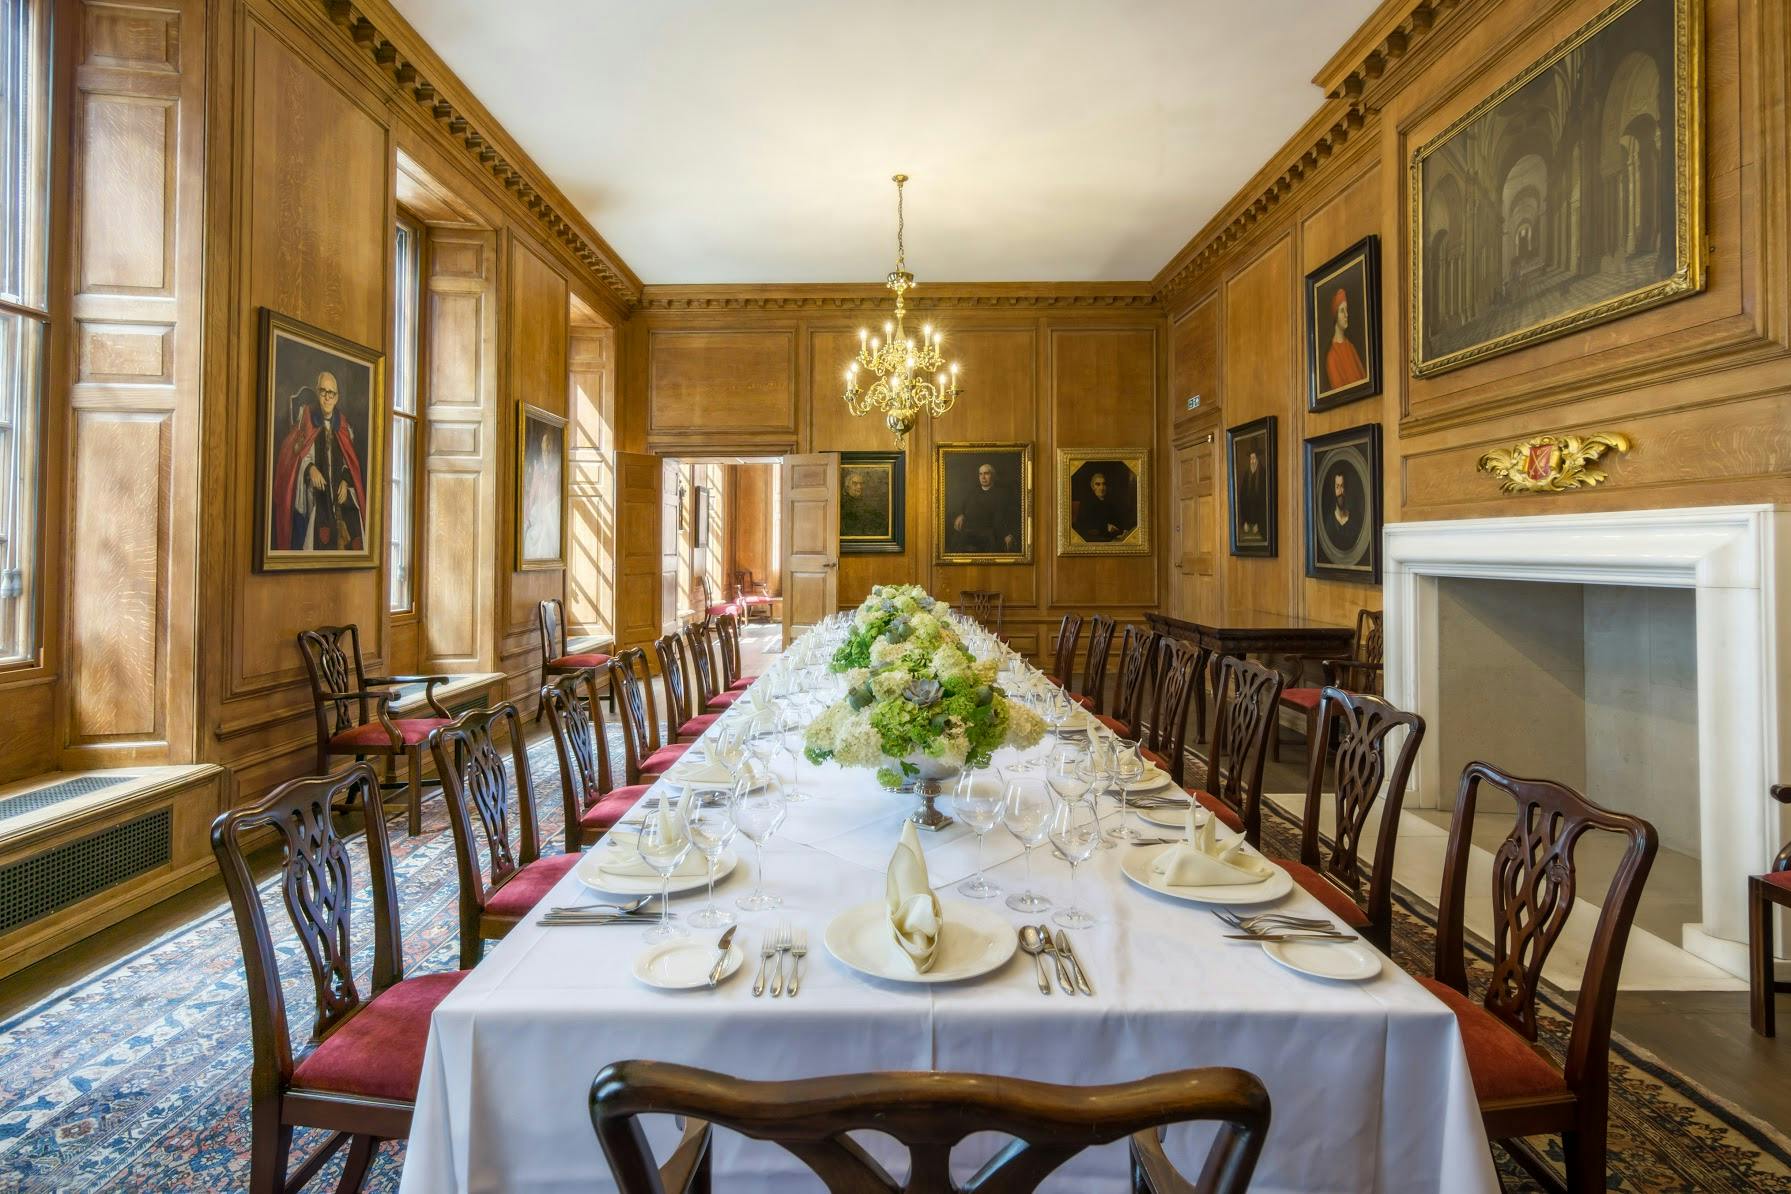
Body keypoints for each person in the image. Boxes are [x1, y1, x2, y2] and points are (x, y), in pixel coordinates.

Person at [271, 370, 365, 552]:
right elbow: (298, 454)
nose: (327, 398)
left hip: (338, 494)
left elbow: (349, 463)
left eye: (332, 393)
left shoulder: (343, 425)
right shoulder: (307, 419)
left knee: (352, 524)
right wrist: (310, 468)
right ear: (317, 392)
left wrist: (345, 481)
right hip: (315, 496)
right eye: (323, 392)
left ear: (337, 397)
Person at [950, 461, 1017, 554]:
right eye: (980, 474)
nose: (983, 477)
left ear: (993, 476)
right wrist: (961, 514)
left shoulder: (1001, 495)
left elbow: (1001, 519)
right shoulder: (973, 492)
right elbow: (964, 506)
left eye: (986, 474)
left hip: (989, 534)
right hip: (970, 531)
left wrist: (1006, 534)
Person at [523, 428, 562, 560]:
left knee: (548, 530)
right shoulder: (538, 468)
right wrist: (528, 512)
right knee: (532, 535)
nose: (547, 452)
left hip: (552, 507)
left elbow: (557, 492)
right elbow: (533, 492)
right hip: (539, 509)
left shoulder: (557, 468)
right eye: (544, 449)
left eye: (549, 449)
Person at [1323, 288, 1367, 392]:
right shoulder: (1332, 356)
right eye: (1342, 311)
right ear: (1335, 316)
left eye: (1347, 310)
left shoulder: (1350, 346)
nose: (1347, 315)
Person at [1072, 469, 1134, 542]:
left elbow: (1118, 519)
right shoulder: (1087, 501)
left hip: (1112, 537)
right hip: (1095, 539)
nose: (1101, 488)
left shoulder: (1110, 500)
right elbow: (1083, 524)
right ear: (1092, 487)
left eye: (1104, 484)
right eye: (1097, 484)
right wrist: (1105, 527)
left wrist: (1124, 530)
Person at [840, 470, 885, 538]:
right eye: (855, 484)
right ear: (847, 487)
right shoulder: (843, 505)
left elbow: (880, 518)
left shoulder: (864, 503)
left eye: (861, 484)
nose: (859, 487)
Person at [1236, 449, 1267, 541]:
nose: (1252, 461)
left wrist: (1259, 523)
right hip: (1248, 518)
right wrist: (1244, 521)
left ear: (1257, 460)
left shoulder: (1263, 474)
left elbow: (1265, 500)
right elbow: (1242, 498)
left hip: (1260, 519)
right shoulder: (1247, 474)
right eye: (1251, 459)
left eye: (1254, 458)